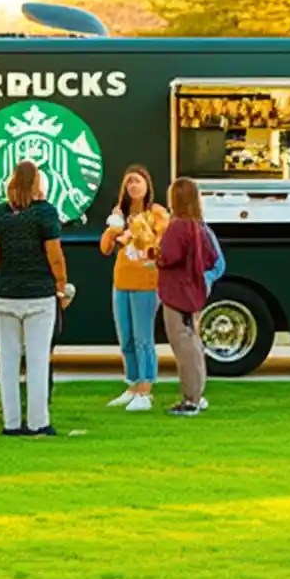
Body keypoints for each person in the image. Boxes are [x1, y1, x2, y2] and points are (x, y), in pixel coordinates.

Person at [0, 160, 68, 436]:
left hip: (7, 294)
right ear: (36, 183)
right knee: (37, 360)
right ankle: (37, 422)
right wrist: (61, 282)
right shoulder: (45, 212)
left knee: (7, 363)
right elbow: (54, 253)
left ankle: (10, 423)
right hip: (39, 294)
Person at [99, 165, 170, 412]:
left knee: (143, 338)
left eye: (138, 181)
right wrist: (114, 226)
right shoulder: (121, 214)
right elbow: (105, 248)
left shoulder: (157, 213)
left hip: (146, 282)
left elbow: (159, 247)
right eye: (129, 182)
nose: (133, 186)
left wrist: (136, 234)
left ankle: (145, 390)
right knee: (126, 337)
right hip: (121, 281)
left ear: (147, 185)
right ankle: (131, 385)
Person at [156, 177, 218, 417]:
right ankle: (198, 394)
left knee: (182, 345)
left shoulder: (177, 226)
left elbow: (168, 257)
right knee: (193, 343)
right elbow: (212, 258)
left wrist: (156, 254)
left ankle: (189, 399)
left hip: (175, 292)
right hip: (194, 289)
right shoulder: (199, 226)